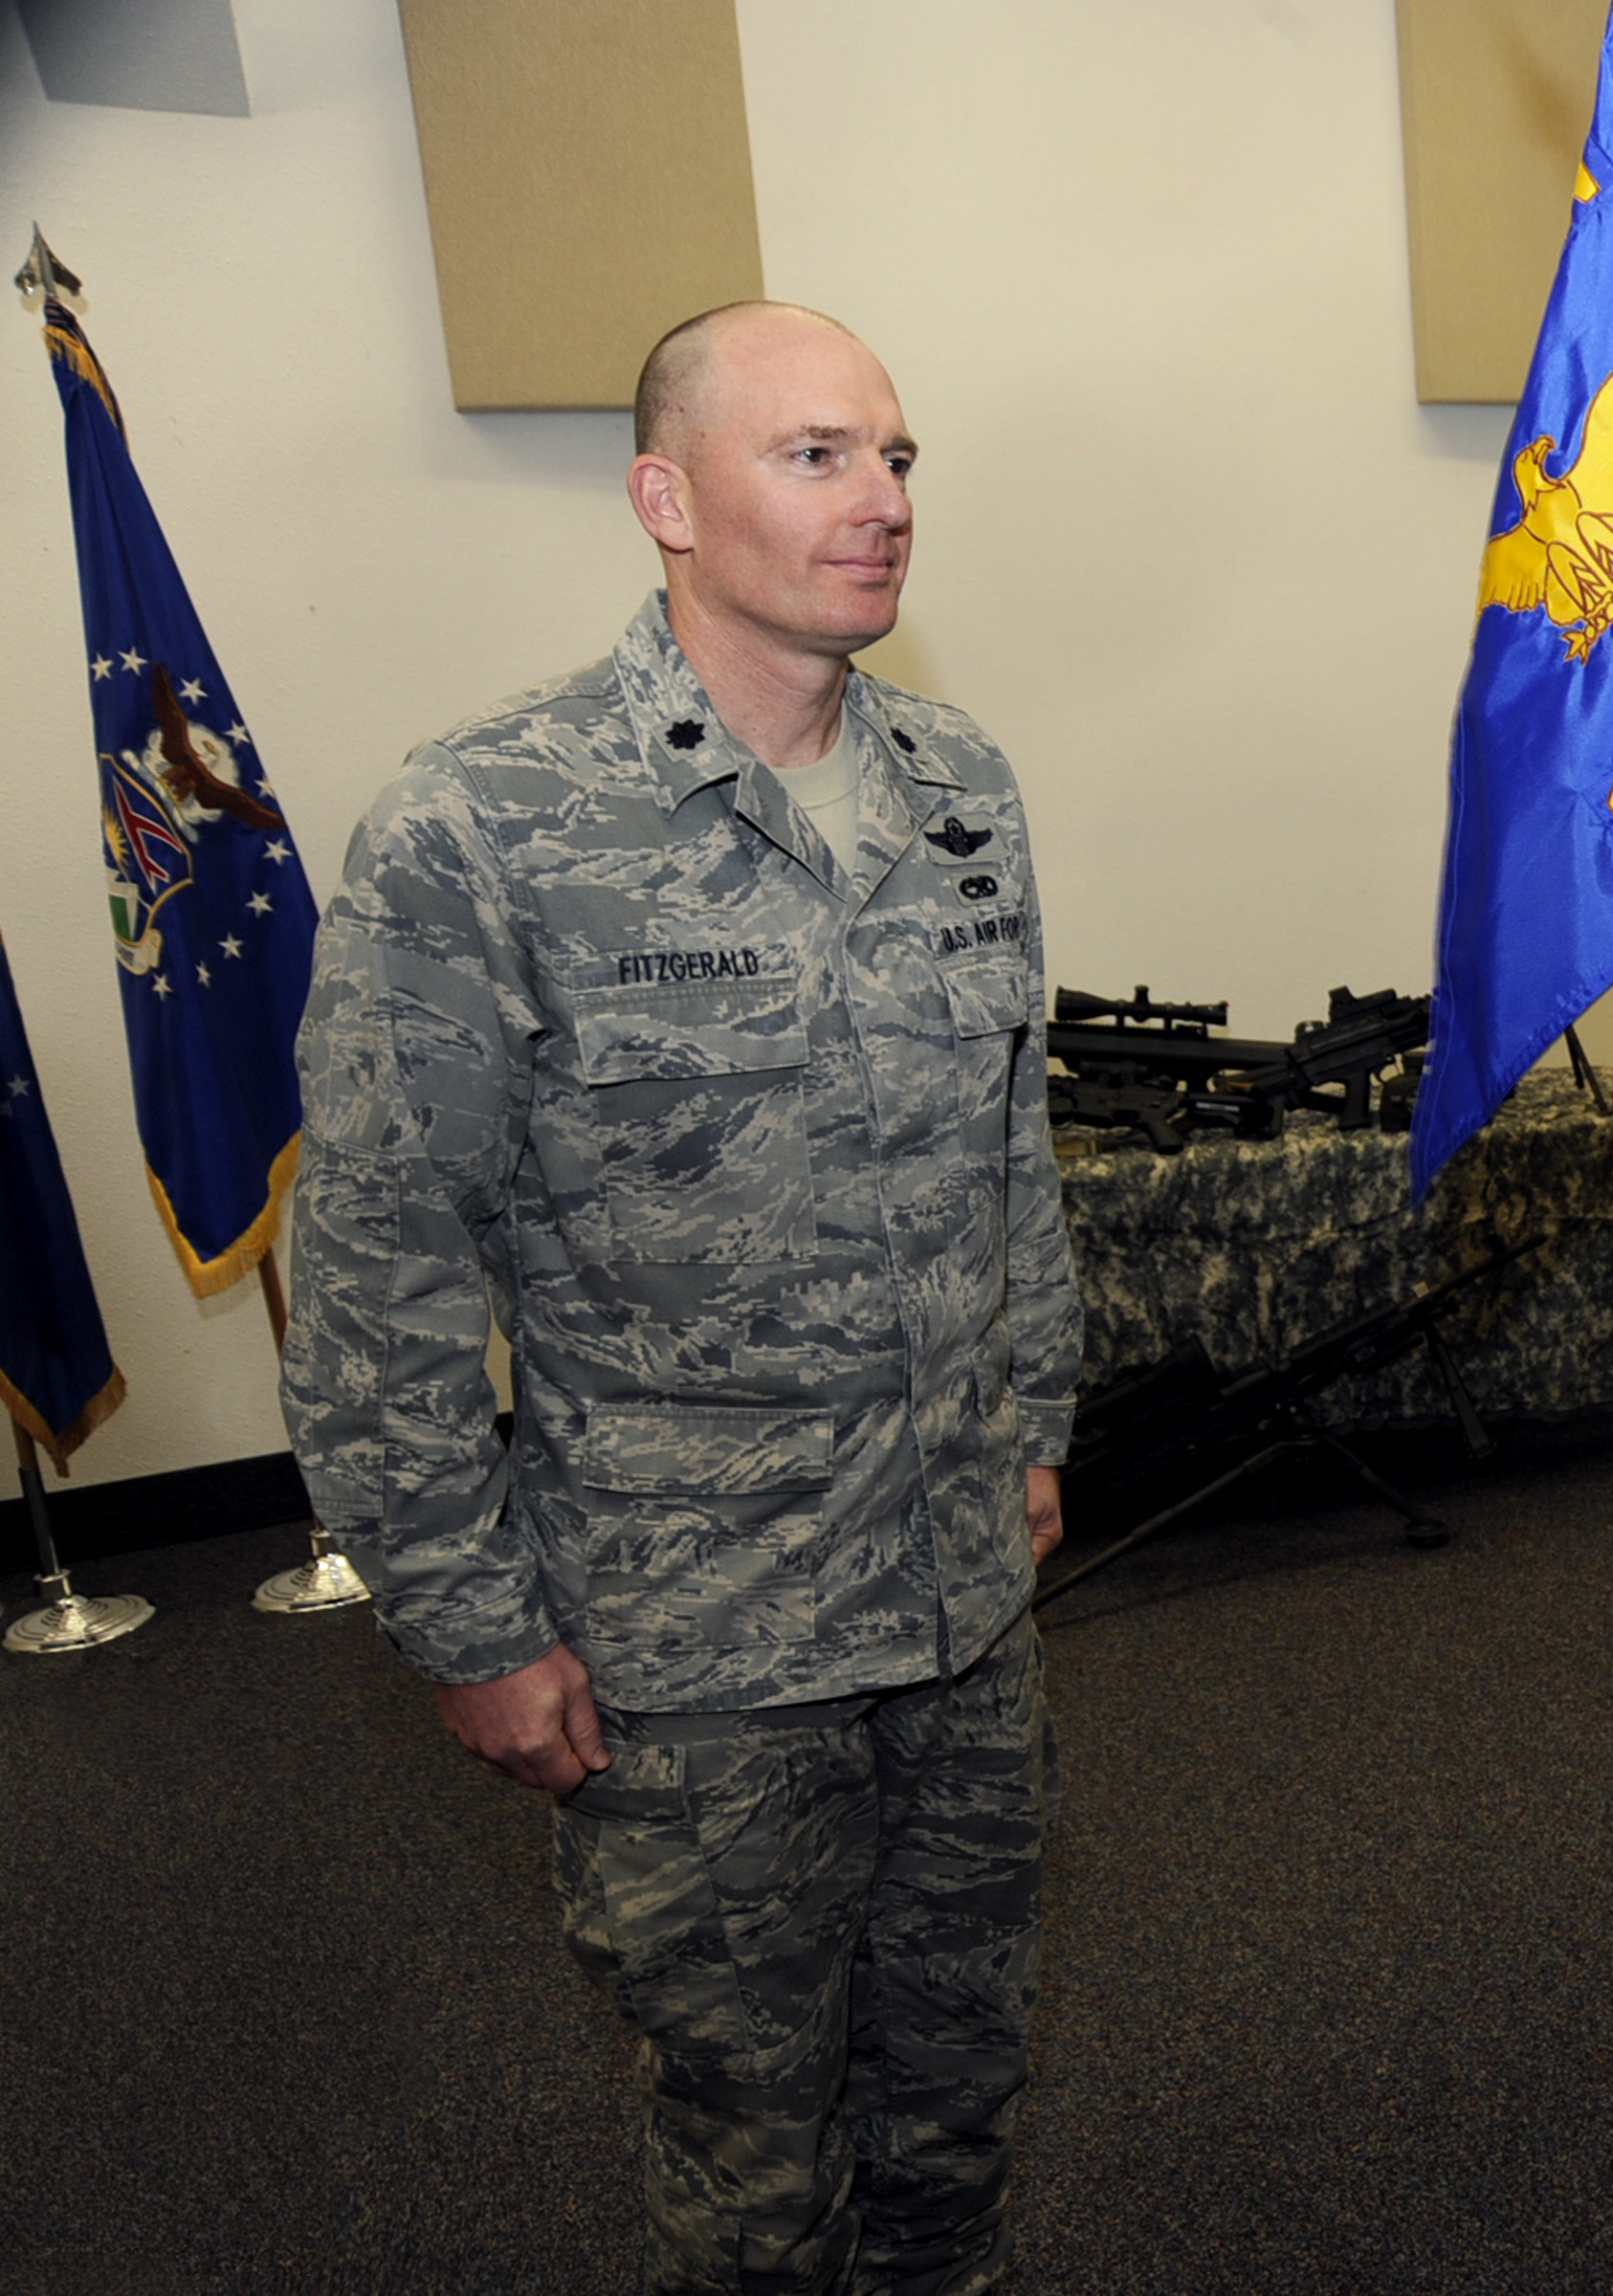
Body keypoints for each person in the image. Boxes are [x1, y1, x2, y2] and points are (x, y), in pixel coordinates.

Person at [281, 300, 1082, 2296]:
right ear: (666, 497)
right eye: (818, 455)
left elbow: (1010, 1155)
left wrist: (1039, 1429)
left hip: (961, 1601)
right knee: (750, 2143)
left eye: (898, 458)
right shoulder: (484, 830)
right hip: (692, 1649)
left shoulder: (958, 786)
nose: (883, 501)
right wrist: (465, 1620)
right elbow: (381, 1258)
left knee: (955, 2087)